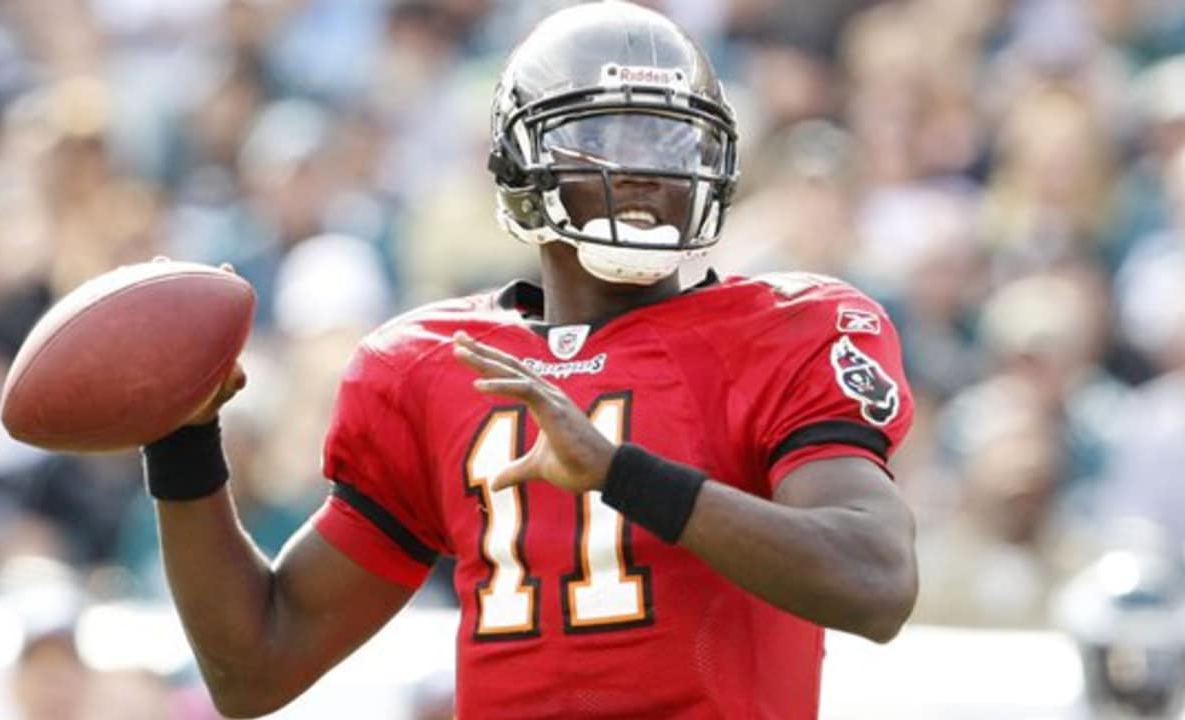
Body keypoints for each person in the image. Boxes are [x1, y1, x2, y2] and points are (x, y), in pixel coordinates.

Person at [143, 4, 918, 718]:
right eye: (608, 137)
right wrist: (182, 444)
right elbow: (255, 667)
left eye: (670, 138)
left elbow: (874, 582)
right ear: (521, 163)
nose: (647, 167)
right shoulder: (431, 364)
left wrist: (624, 475)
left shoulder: (787, 330)